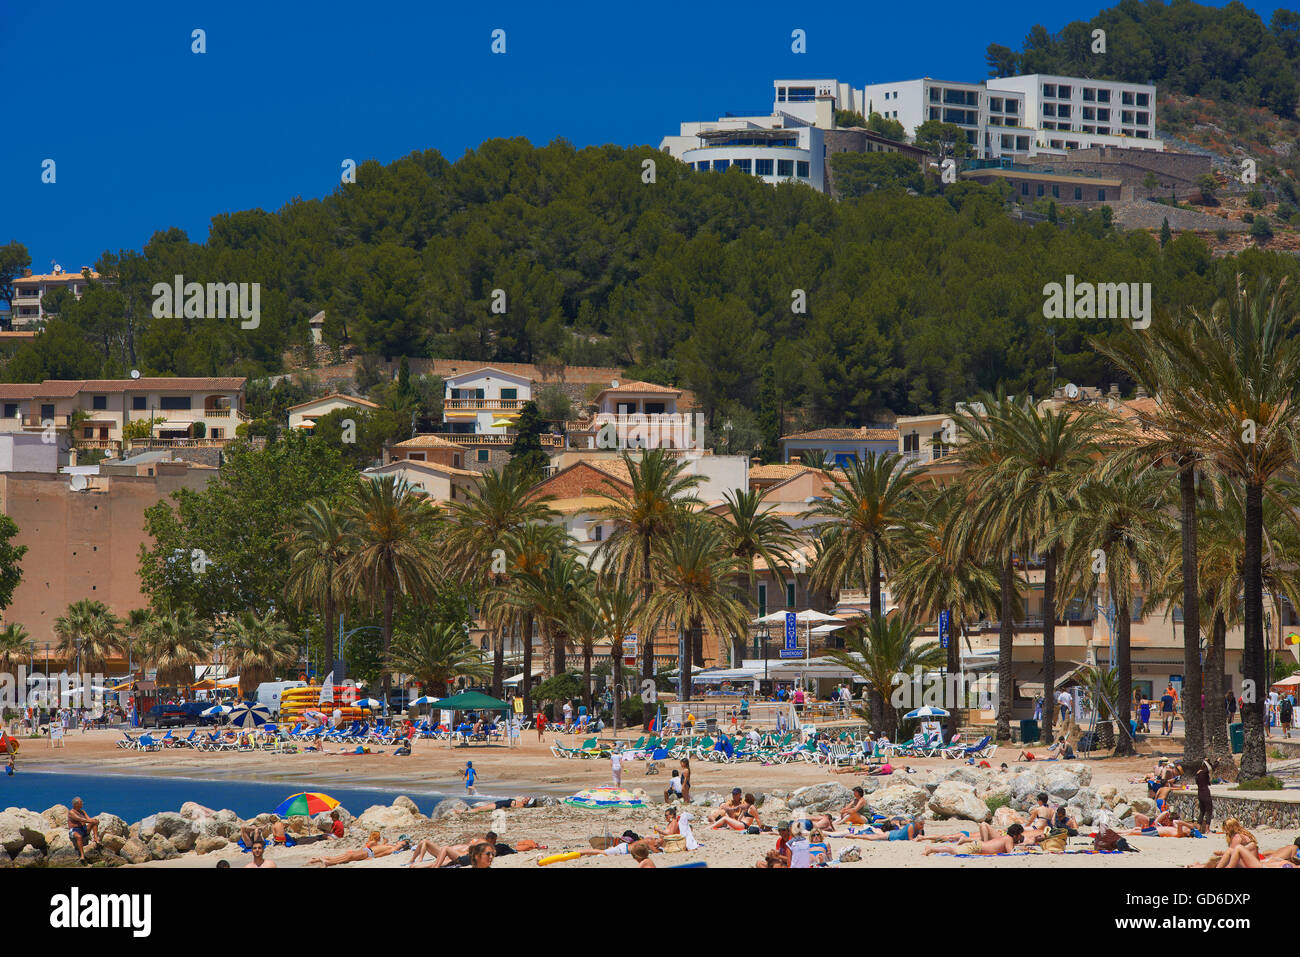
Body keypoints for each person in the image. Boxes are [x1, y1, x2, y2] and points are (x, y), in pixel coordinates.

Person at [308, 832, 410, 866]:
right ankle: (319, 859)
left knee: (349, 856)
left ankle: (328, 862)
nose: (399, 841)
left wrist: (370, 858)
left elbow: (380, 854)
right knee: (347, 856)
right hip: (369, 852)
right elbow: (381, 849)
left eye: (401, 841)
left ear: (402, 844)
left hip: (369, 853)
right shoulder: (391, 847)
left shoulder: (393, 849)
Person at [923, 823, 1024, 856]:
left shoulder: (1005, 837)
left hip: (978, 846)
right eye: (1020, 835)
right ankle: (932, 849)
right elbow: (1012, 852)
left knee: (954, 851)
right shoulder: (1009, 839)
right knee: (954, 851)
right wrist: (1023, 849)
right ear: (1016, 835)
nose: (1021, 837)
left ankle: (933, 849)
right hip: (978, 847)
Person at [1195, 758, 1214, 833]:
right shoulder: (1203, 773)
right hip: (1205, 793)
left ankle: (1198, 828)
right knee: (1209, 811)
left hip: (1200, 793)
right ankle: (1207, 829)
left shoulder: (1197, 774)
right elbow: (1211, 768)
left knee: (1202, 811)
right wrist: (1217, 761)